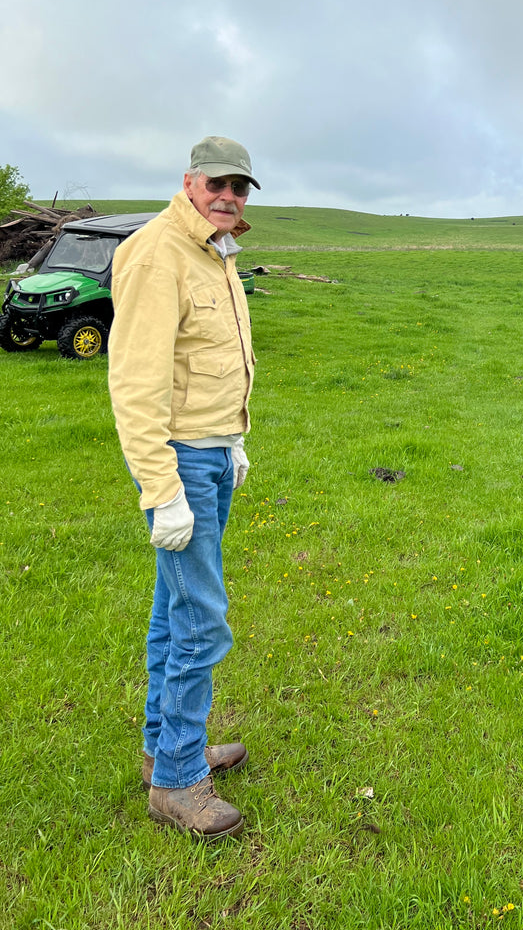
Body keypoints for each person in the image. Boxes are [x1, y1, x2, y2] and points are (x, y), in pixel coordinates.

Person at [108, 135, 259, 840]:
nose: (228, 196)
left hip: (211, 451)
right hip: (180, 464)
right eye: (217, 184)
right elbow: (135, 383)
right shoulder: (156, 250)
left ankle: (162, 750)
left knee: (174, 613)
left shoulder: (212, 249)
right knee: (203, 620)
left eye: (240, 187)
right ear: (189, 181)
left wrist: (232, 438)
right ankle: (177, 783)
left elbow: (205, 361)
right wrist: (160, 486)